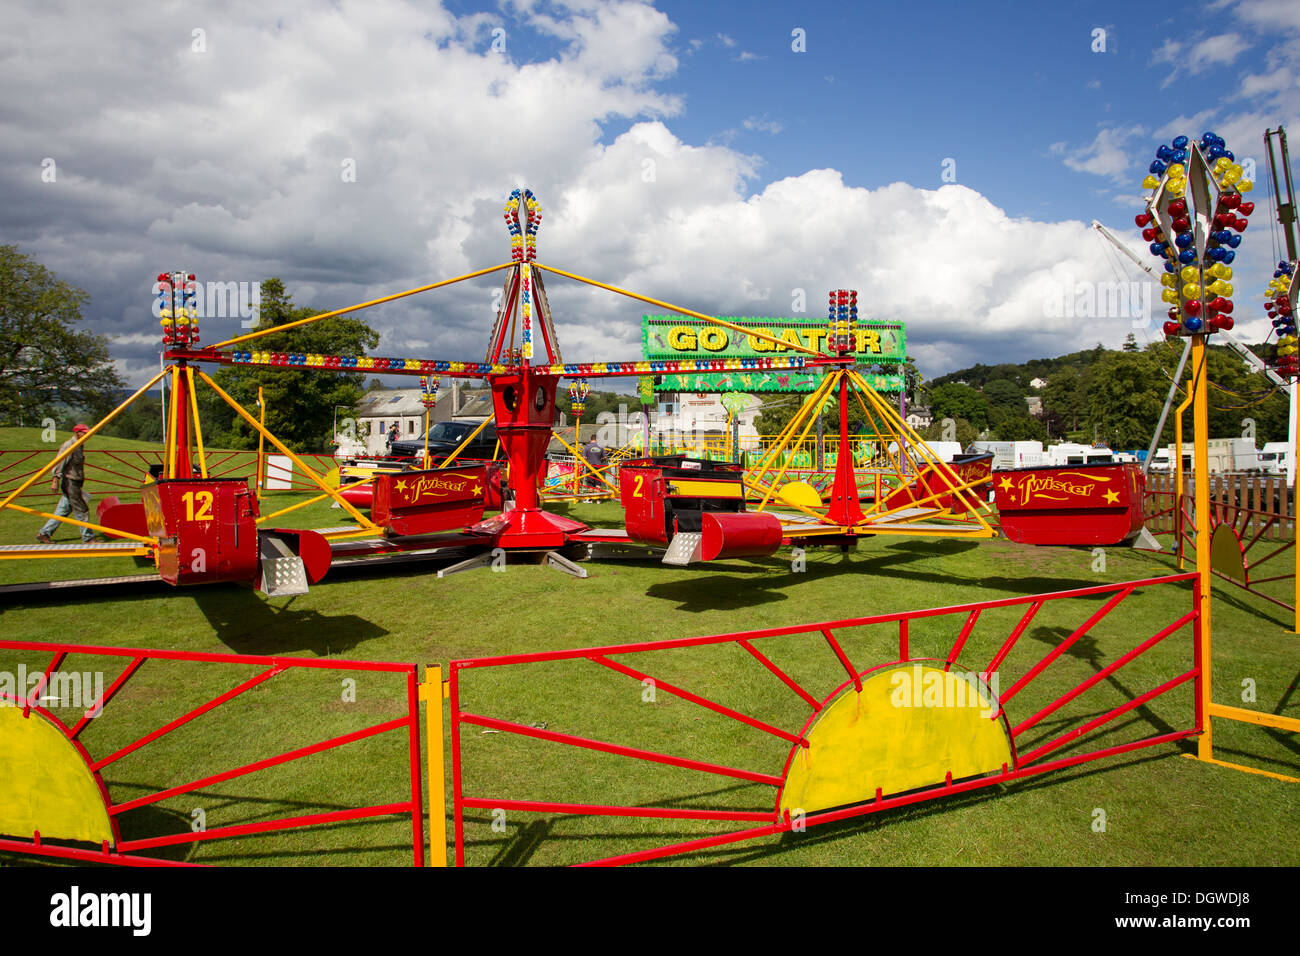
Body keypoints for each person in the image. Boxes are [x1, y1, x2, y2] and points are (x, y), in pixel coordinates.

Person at [36, 424, 97, 544]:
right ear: (77, 433)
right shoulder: (69, 445)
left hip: (75, 481)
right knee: (82, 510)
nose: (87, 434)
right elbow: (59, 462)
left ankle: (44, 533)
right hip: (70, 482)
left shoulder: (79, 445)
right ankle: (88, 538)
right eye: (85, 432)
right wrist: (55, 479)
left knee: (62, 511)